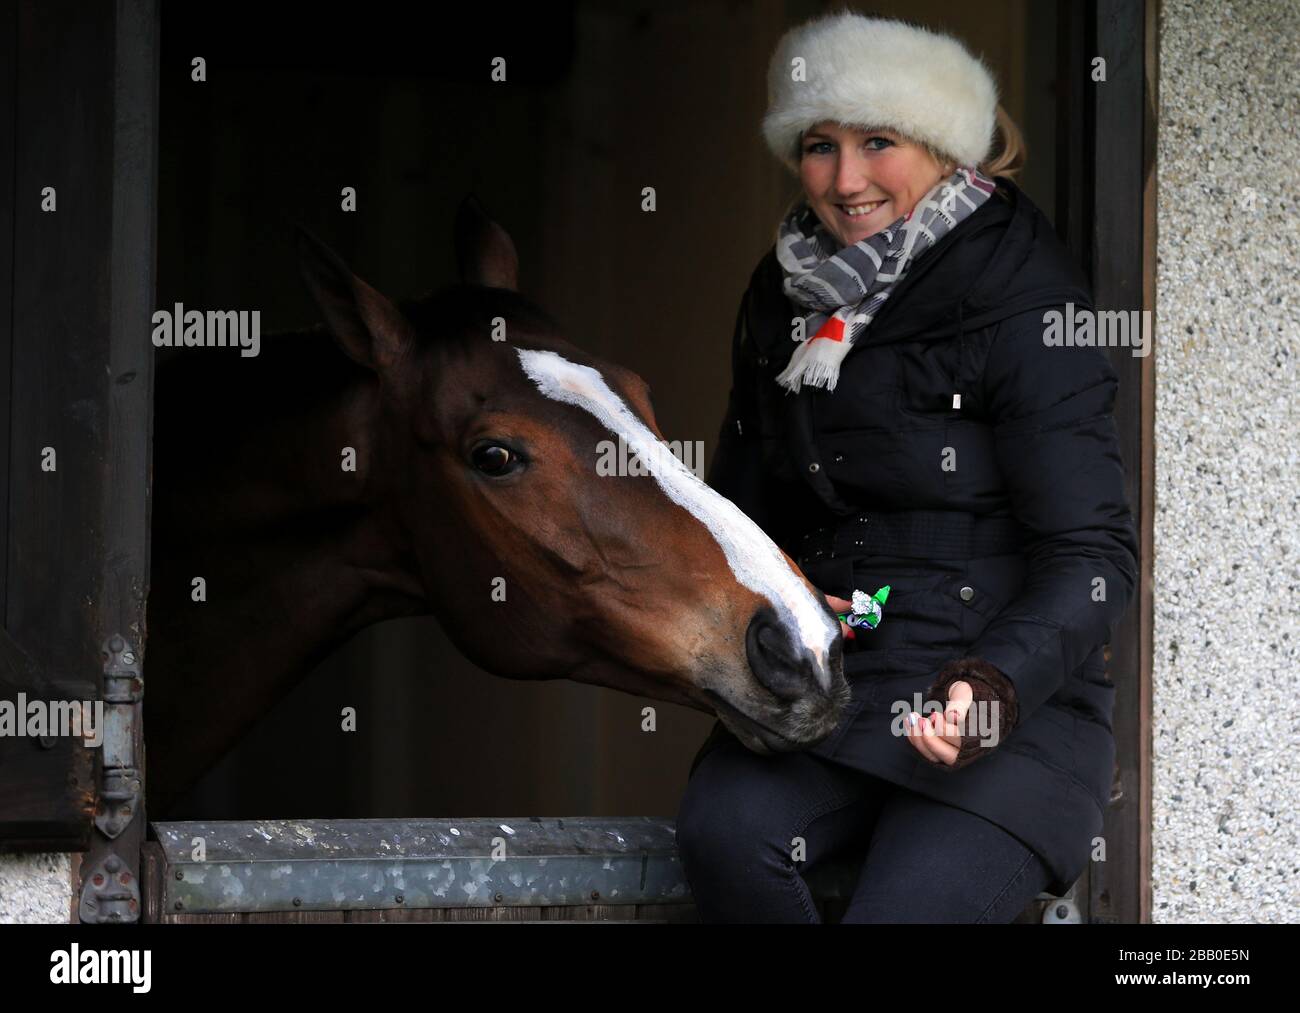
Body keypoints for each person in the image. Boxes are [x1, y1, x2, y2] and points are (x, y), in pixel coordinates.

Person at [675, 11, 1139, 923]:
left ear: (941, 146)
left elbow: (1095, 555)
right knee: (722, 836)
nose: (846, 181)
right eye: (819, 145)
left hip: (1008, 711)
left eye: (878, 141)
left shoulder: (1023, 289)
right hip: (840, 688)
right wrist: (789, 587)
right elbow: (743, 510)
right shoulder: (782, 295)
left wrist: (992, 684)